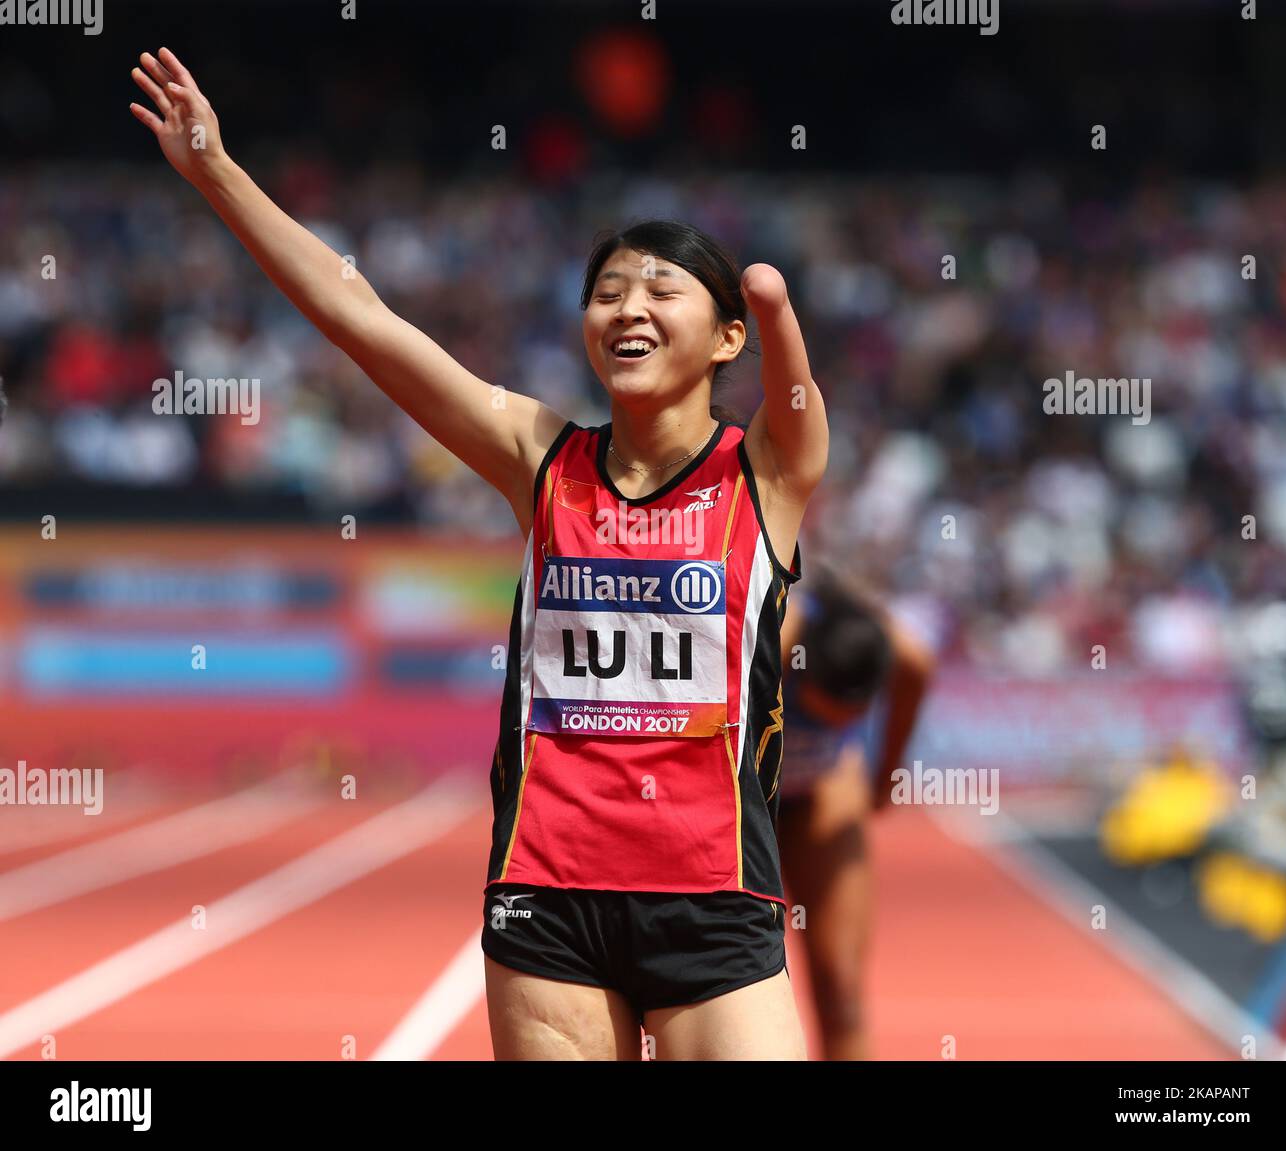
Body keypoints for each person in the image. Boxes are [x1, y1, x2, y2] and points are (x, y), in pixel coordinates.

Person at [130, 47, 829, 1060]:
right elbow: (362, 319)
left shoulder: (762, 475)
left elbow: (799, 409)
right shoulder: (538, 455)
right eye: (606, 292)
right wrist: (218, 174)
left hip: (716, 896)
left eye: (658, 289)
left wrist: (772, 308)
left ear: (725, 339)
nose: (626, 308)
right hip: (549, 896)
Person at [776, 563, 933, 1060]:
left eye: (850, 717)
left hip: (824, 787)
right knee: (732, 981)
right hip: (749, 795)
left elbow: (915, 678)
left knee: (842, 988)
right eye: (820, 713)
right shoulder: (774, 641)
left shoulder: (901, 652)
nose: (828, 724)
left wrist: (886, 778)